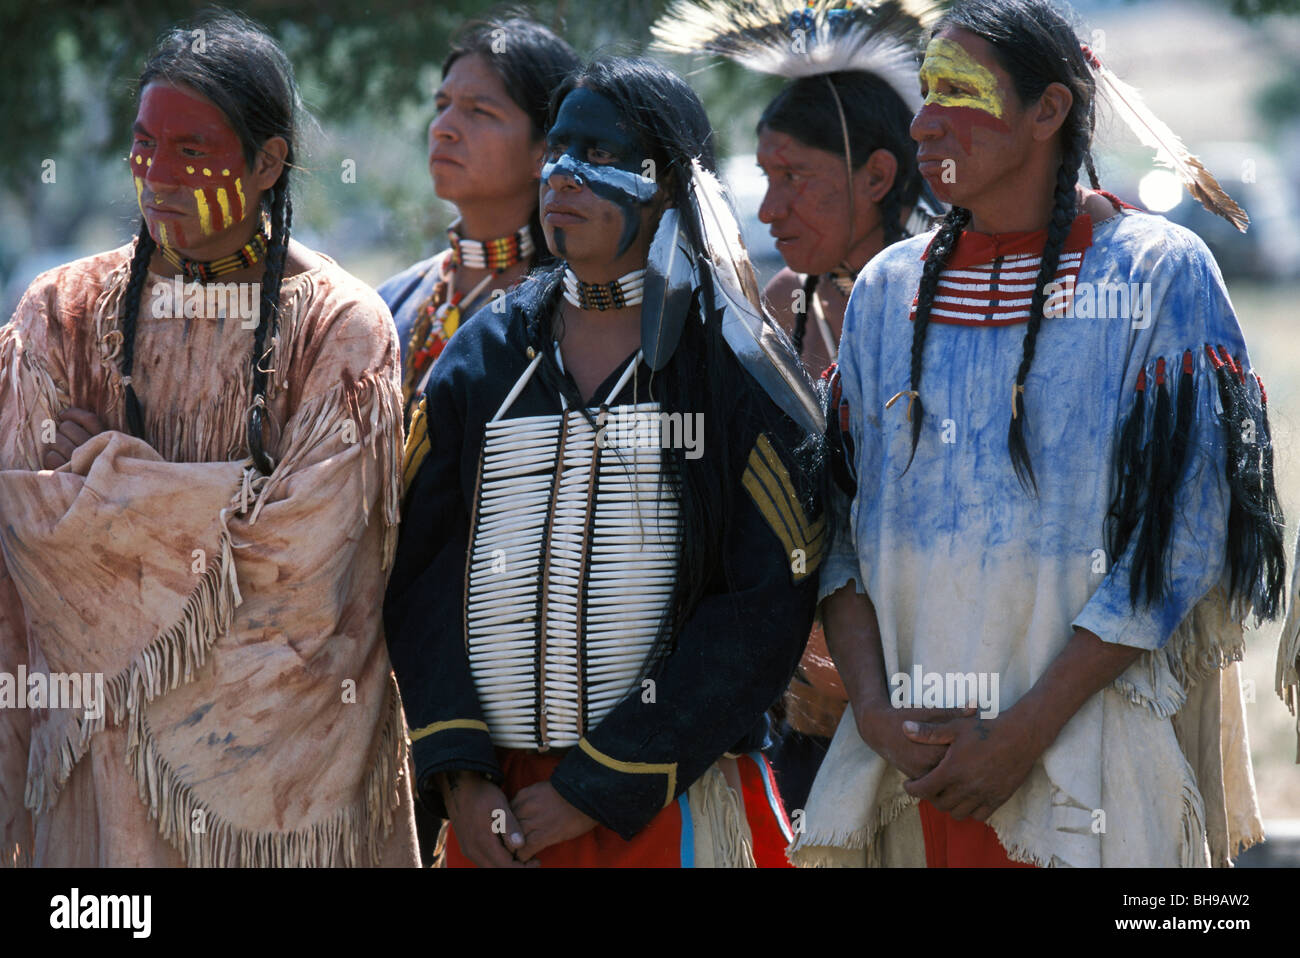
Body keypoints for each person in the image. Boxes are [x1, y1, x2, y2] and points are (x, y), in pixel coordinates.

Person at [789, 0, 1284, 868]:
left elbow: (1184, 537)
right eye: (924, 90)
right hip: (911, 765)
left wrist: (1023, 732)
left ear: (1049, 110)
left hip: (1085, 758)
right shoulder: (886, 290)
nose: (925, 120)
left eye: (959, 91)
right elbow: (839, 529)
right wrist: (871, 712)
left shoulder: (1156, 271)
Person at [384, 56, 825, 867]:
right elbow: (421, 573)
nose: (562, 175)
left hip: (672, 799)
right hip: (500, 809)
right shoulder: (482, 360)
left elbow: (764, 598)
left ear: (668, 187)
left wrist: (598, 787)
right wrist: (462, 775)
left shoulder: (729, 365)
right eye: (557, 150)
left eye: (601, 155)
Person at [0, 12, 418, 867]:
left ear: (267, 163)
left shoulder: (342, 329)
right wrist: (223, 499)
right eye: (144, 143)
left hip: (283, 776)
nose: (157, 174)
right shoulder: (61, 312)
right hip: (100, 762)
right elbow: (27, 534)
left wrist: (106, 481)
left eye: (193, 151)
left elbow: (303, 573)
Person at [652, 0, 942, 815]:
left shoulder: (947, 310)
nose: (771, 209)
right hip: (799, 712)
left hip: (937, 694)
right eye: (765, 178)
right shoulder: (777, 308)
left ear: (879, 176)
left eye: (795, 178)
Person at [378, 16, 580, 422]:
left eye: (479, 111)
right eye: (441, 106)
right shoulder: (391, 303)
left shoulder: (578, 312)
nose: (443, 128)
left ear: (544, 152)